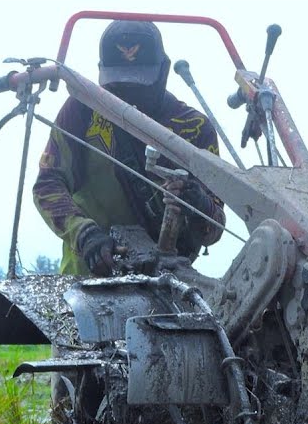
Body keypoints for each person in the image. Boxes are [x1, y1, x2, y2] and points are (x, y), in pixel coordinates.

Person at [33, 20, 226, 276]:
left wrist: (197, 203)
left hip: (168, 286)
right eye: (118, 83)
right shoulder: (81, 110)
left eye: (139, 83)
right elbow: (48, 184)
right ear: (101, 72)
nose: (127, 93)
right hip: (85, 280)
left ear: (163, 71)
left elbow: (214, 229)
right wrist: (84, 233)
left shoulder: (194, 128)